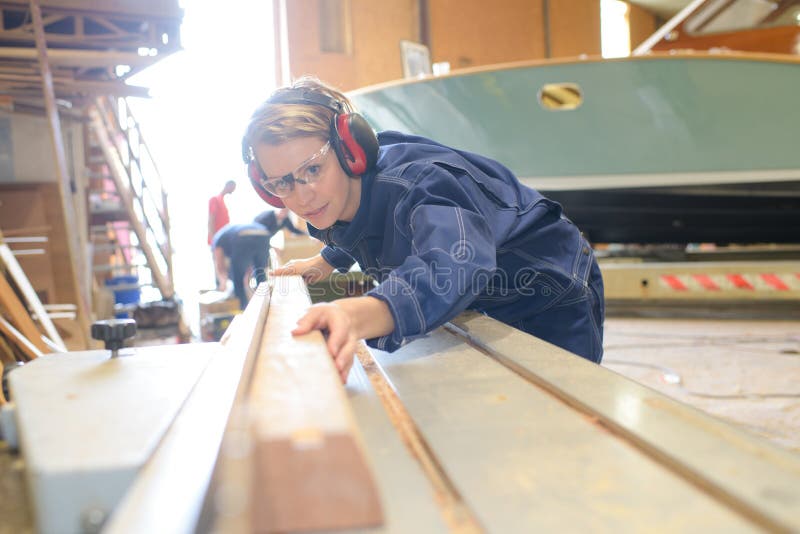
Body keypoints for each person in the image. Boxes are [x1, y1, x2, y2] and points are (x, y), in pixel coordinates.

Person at [241, 77, 604, 383]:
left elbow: (451, 264)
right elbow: (362, 227)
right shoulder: (334, 200)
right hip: (484, 294)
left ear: (351, 149)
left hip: (547, 286)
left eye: (313, 170)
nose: (303, 196)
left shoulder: (422, 183)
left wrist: (355, 314)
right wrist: (325, 261)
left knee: (563, 399)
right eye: (281, 184)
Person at [211, 220, 271, 309]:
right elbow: (249, 265)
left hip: (243, 236)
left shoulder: (216, 240)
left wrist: (223, 284)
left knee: (237, 279)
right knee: (261, 275)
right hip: (264, 234)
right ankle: (265, 306)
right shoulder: (228, 233)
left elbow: (220, 266)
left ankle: (243, 310)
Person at [208, 180, 237, 245]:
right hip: (217, 241)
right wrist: (214, 240)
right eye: (233, 187)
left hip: (223, 240)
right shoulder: (215, 199)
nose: (233, 190)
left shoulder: (222, 201)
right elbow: (211, 220)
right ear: (228, 185)